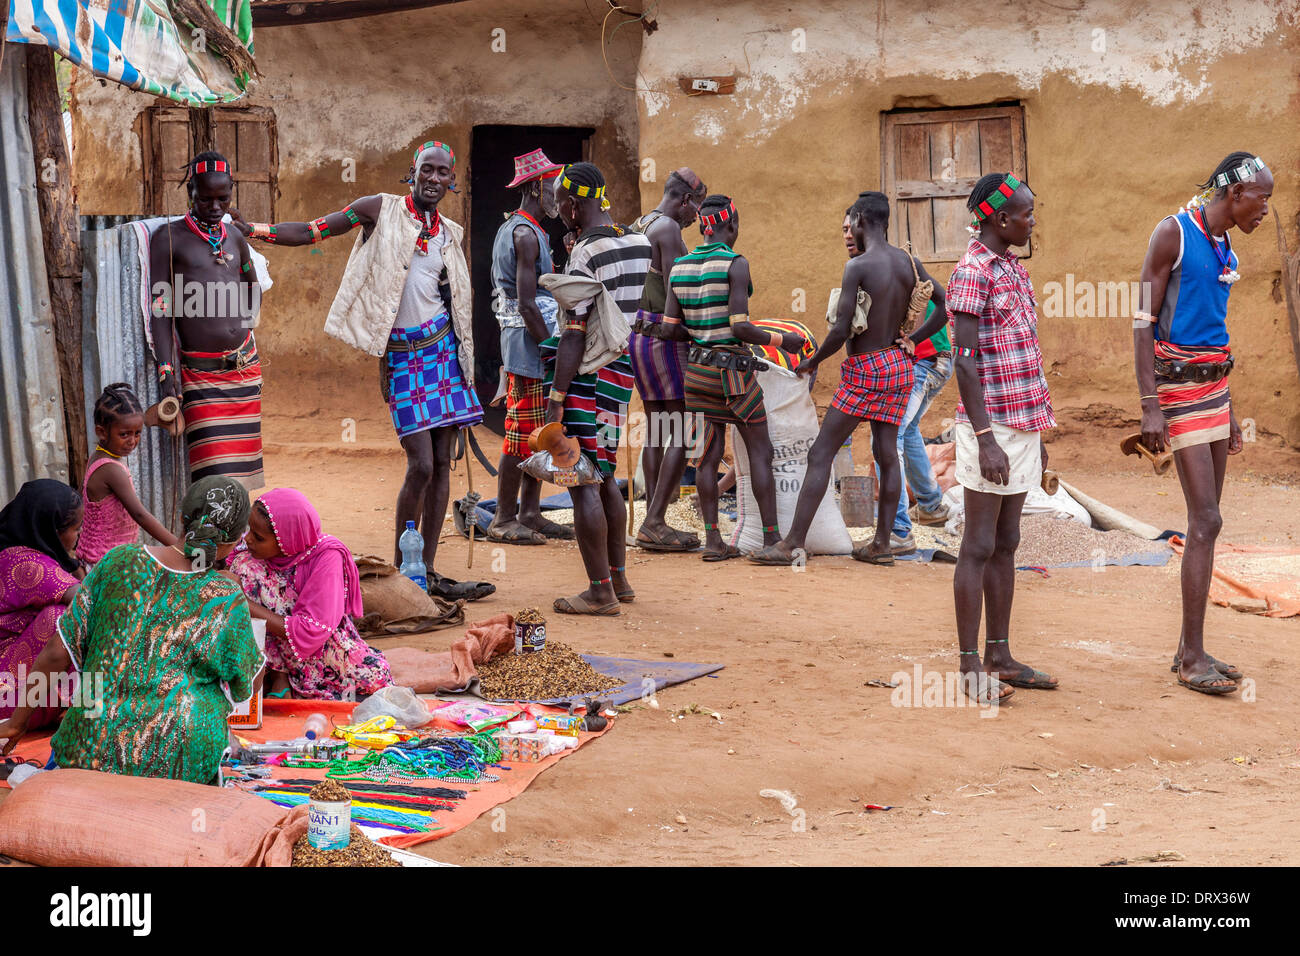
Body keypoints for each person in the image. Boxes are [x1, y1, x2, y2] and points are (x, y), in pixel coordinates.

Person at [231, 141, 493, 602]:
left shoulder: (449, 232)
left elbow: (456, 304)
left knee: (443, 468)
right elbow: (315, 231)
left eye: (442, 174)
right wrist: (252, 230)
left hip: (445, 353)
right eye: (425, 171)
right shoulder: (378, 210)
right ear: (411, 173)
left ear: (452, 181)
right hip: (405, 357)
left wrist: (468, 366)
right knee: (422, 464)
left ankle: (426, 572)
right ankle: (402, 572)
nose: (433, 179)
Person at [0, 477, 263, 785]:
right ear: (233, 543)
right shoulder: (226, 596)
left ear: (181, 518)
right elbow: (249, 684)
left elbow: (56, 653)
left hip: (90, 750)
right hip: (180, 761)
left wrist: (18, 723)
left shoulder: (119, 560)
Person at [1134, 152, 1272, 696]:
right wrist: (1149, 404)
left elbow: (1214, 328)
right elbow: (1142, 321)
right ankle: (1191, 658)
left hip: (1215, 383)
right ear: (1235, 195)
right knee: (1206, 518)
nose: (1265, 208)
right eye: (1261, 196)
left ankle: (1190, 647)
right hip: (1177, 385)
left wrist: (1232, 412)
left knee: (1206, 522)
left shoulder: (1223, 243)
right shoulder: (1174, 234)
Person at [750, 192, 948, 567]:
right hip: (898, 366)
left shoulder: (858, 266)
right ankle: (882, 545)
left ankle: (792, 542)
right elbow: (945, 305)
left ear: (859, 220)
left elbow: (841, 330)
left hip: (864, 371)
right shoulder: (909, 262)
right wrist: (913, 340)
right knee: (887, 455)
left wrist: (811, 360)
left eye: (850, 223)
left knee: (820, 453)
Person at [947, 172, 1059, 703]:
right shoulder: (972, 272)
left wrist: (1038, 434)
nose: (1032, 221)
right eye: (1026, 214)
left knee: (1008, 541)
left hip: (1021, 424)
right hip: (987, 427)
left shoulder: (1013, 270)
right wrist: (986, 438)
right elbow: (965, 363)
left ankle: (1000, 654)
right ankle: (970, 667)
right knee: (979, 543)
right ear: (998, 218)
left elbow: (1022, 354)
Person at [651, 194, 803, 561]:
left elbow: (671, 329)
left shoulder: (681, 267)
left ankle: (714, 541)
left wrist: (702, 332)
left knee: (706, 457)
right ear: (731, 226)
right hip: (733, 375)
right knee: (761, 453)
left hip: (697, 374)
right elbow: (741, 326)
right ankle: (770, 539)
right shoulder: (735, 263)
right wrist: (786, 340)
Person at [542, 163, 651, 615]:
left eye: (561, 205)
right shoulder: (639, 242)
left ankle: (599, 591)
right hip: (622, 373)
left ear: (572, 205)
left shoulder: (587, 253)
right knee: (605, 475)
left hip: (588, 375)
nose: (560, 213)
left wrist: (556, 398)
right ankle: (619, 579)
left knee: (579, 478)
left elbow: (573, 330)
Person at [149, 151, 264, 489]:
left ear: (231, 193)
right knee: (212, 480)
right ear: (190, 194)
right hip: (201, 377)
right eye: (206, 199)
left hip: (243, 371)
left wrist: (238, 327)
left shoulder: (236, 237)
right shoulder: (168, 238)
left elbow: (251, 285)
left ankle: (238, 541)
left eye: (223, 198)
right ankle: (209, 542)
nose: (216, 207)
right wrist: (166, 371)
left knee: (242, 480)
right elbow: (161, 310)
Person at [229, 488, 393, 700]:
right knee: (243, 566)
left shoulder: (327, 558)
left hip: (318, 648)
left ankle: (285, 676)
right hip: (281, 647)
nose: (248, 539)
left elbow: (312, 630)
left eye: (258, 537)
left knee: (372, 680)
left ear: (286, 540)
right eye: (249, 530)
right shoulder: (249, 556)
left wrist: (241, 600)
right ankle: (278, 674)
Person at [487, 149, 572, 546]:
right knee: (518, 433)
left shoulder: (529, 230)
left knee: (538, 431)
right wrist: (550, 347)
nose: (560, 197)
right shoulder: (523, 234)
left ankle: (530, 512)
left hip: (530, 341)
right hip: (527, 345)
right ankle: (504, 518)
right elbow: (525, 302)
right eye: (555, 189)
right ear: (538, 186)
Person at [629, 167, 708, 553]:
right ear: (684, 201)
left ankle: (653, 511)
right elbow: (684, 290)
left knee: (658, 422)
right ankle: (656, 520)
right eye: (696, 208)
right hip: (665, 336)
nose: (697, 217)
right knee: (679, 424)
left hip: (639, 336)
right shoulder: (668, 231)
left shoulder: (640, 223)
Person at [0, 481, 84, 730]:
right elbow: (88, 600)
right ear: (51, 531)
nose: (78, 536)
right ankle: (90, 706)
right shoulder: (27, 564)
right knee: (64, 617)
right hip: (9, 699)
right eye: (76, 529)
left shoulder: (9, 550)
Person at [77, 383, 178, 566]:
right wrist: (179, 547)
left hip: (104, 557)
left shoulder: (100, 457)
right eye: (124, 435)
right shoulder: (111, 469)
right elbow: (140, 515)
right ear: (101, 432)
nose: (132, 441)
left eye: (137, 433)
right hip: (104, 562)